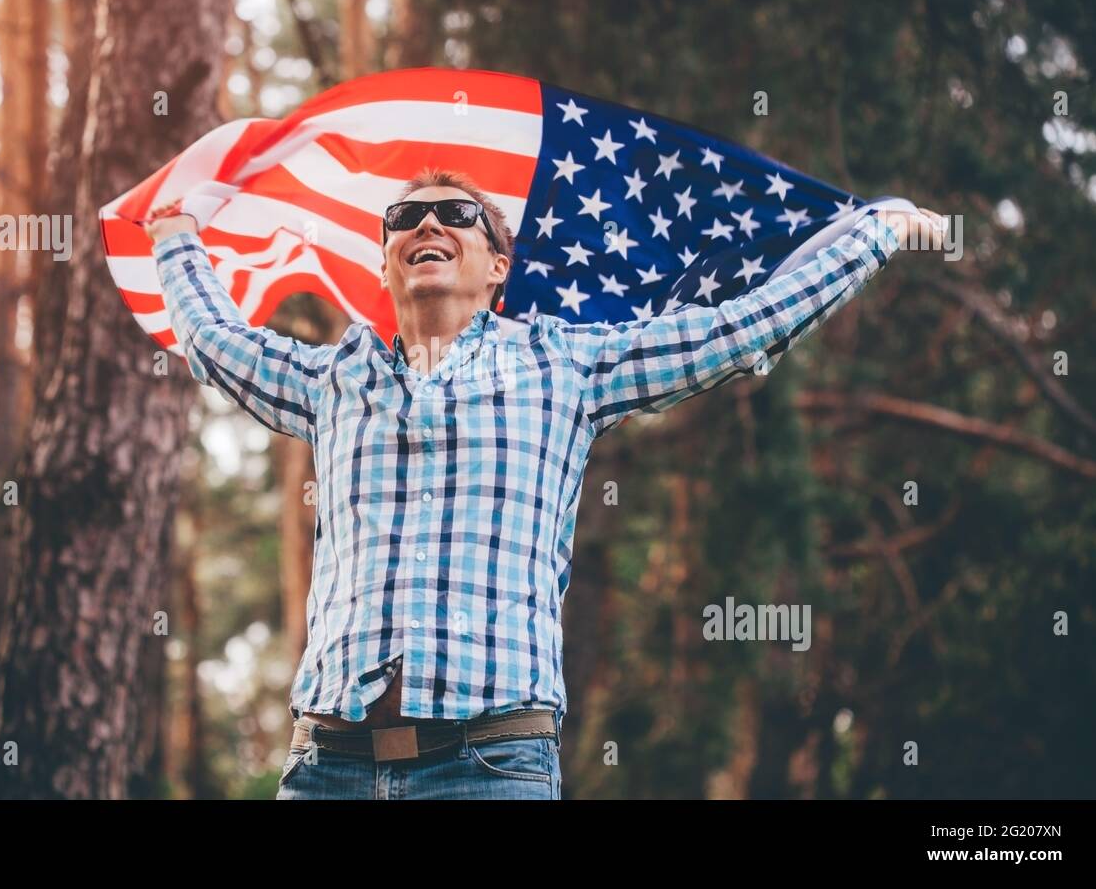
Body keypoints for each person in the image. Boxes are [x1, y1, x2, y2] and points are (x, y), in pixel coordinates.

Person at [143, 168, 946, 799]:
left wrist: (873, 235)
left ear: (498, 266)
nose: (426, 224)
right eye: (405, 219)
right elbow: (214, 342)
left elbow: (740, 330)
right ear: (384, 263)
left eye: (456, 215)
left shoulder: (565, 366)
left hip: (489, 771)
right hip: (327, 768)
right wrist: (175, 235)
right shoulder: (333, 380)